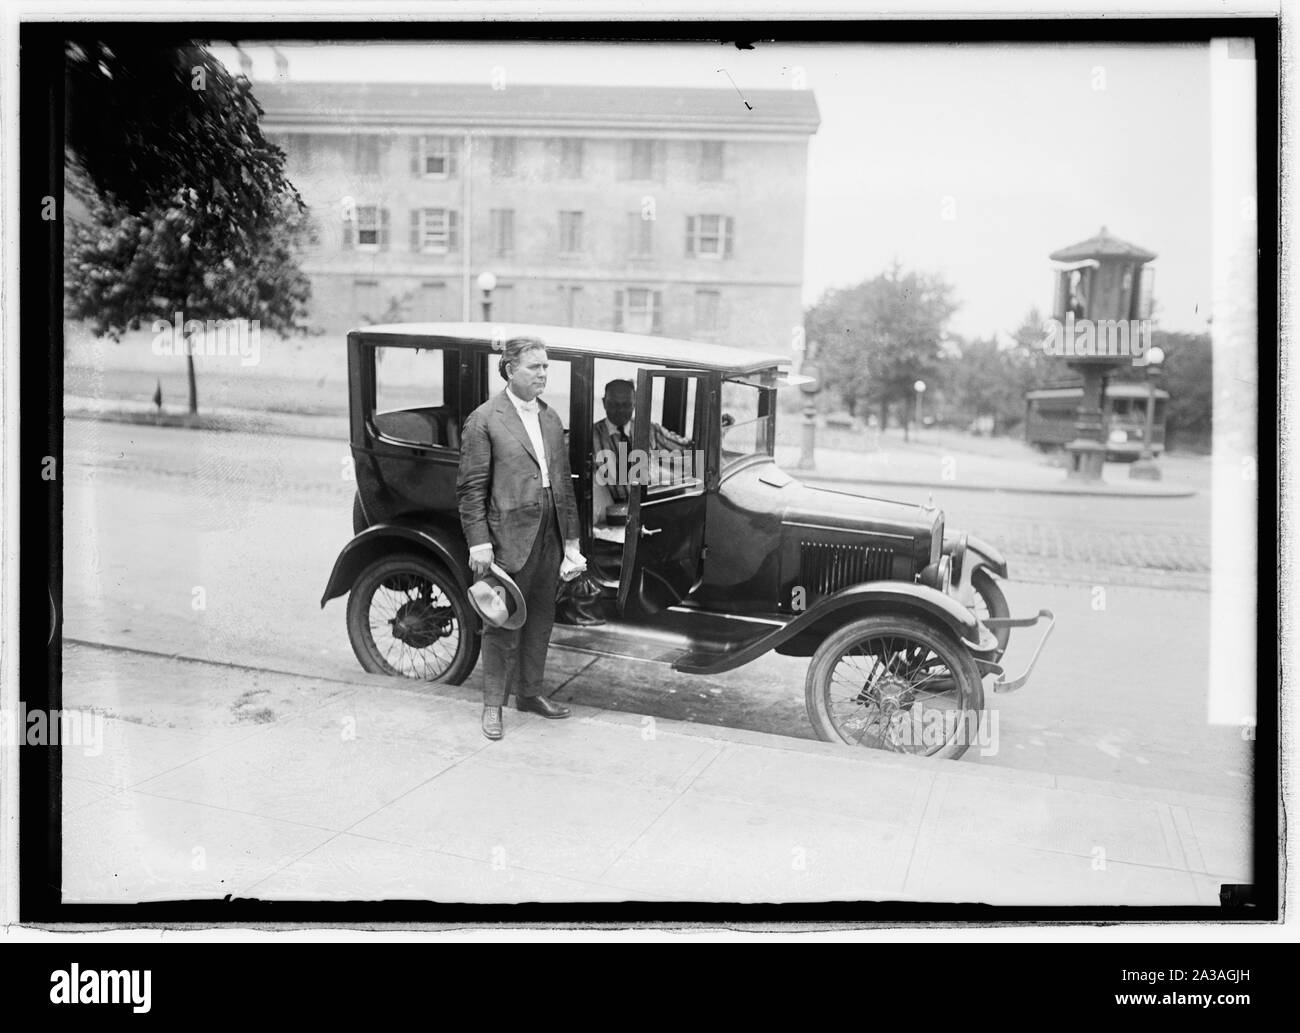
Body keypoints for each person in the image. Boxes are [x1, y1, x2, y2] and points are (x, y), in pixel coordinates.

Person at [457, 337, 585, 741]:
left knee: (541, 617)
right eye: (534, 367)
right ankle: (492, 706)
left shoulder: (550, 417)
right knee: (500, 621)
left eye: (546, 366)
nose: (543, 374)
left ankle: (529, 694)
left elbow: (563, 484)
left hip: (549, 535)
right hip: (506, 538)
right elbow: (471, 489)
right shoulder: (484, 419)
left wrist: (571, 542)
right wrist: (479, 542)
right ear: (510, 370)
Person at [591, 379, 693, 516]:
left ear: (634, 403)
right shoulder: (590, 436)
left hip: (648, 508)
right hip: (610, 514)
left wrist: (716, 430)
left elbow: (686, 448)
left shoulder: (649, 430)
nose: (620, 410)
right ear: (604, 403)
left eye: (626, 404)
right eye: (614, 404)